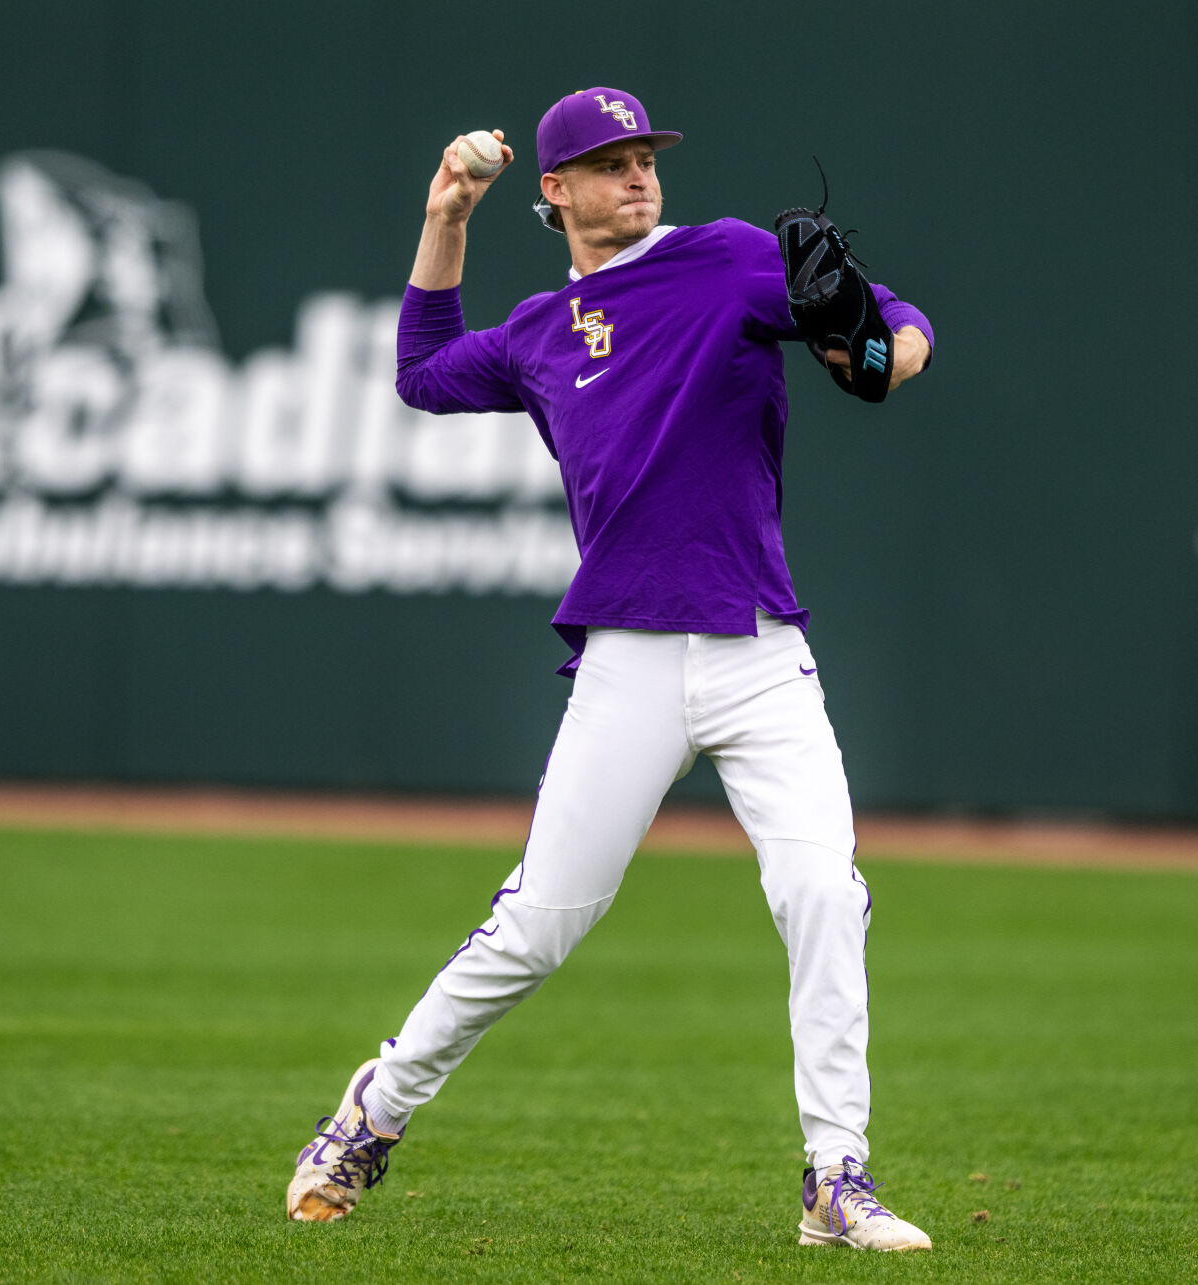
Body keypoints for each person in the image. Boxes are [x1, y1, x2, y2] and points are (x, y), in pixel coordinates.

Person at [286, 86, 936, 1253]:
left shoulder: (726, 260)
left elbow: (886, 324)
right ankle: (370, 1113)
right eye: (608, 162)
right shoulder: (540, 329)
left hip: (755, 645)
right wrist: (445, 215)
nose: (636, 176)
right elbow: (423, 373)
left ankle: (835, 1177)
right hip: (626, 659)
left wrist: (889, 351)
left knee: (823, 896)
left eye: (644, 157)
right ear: (557, 190)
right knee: (538, 925)